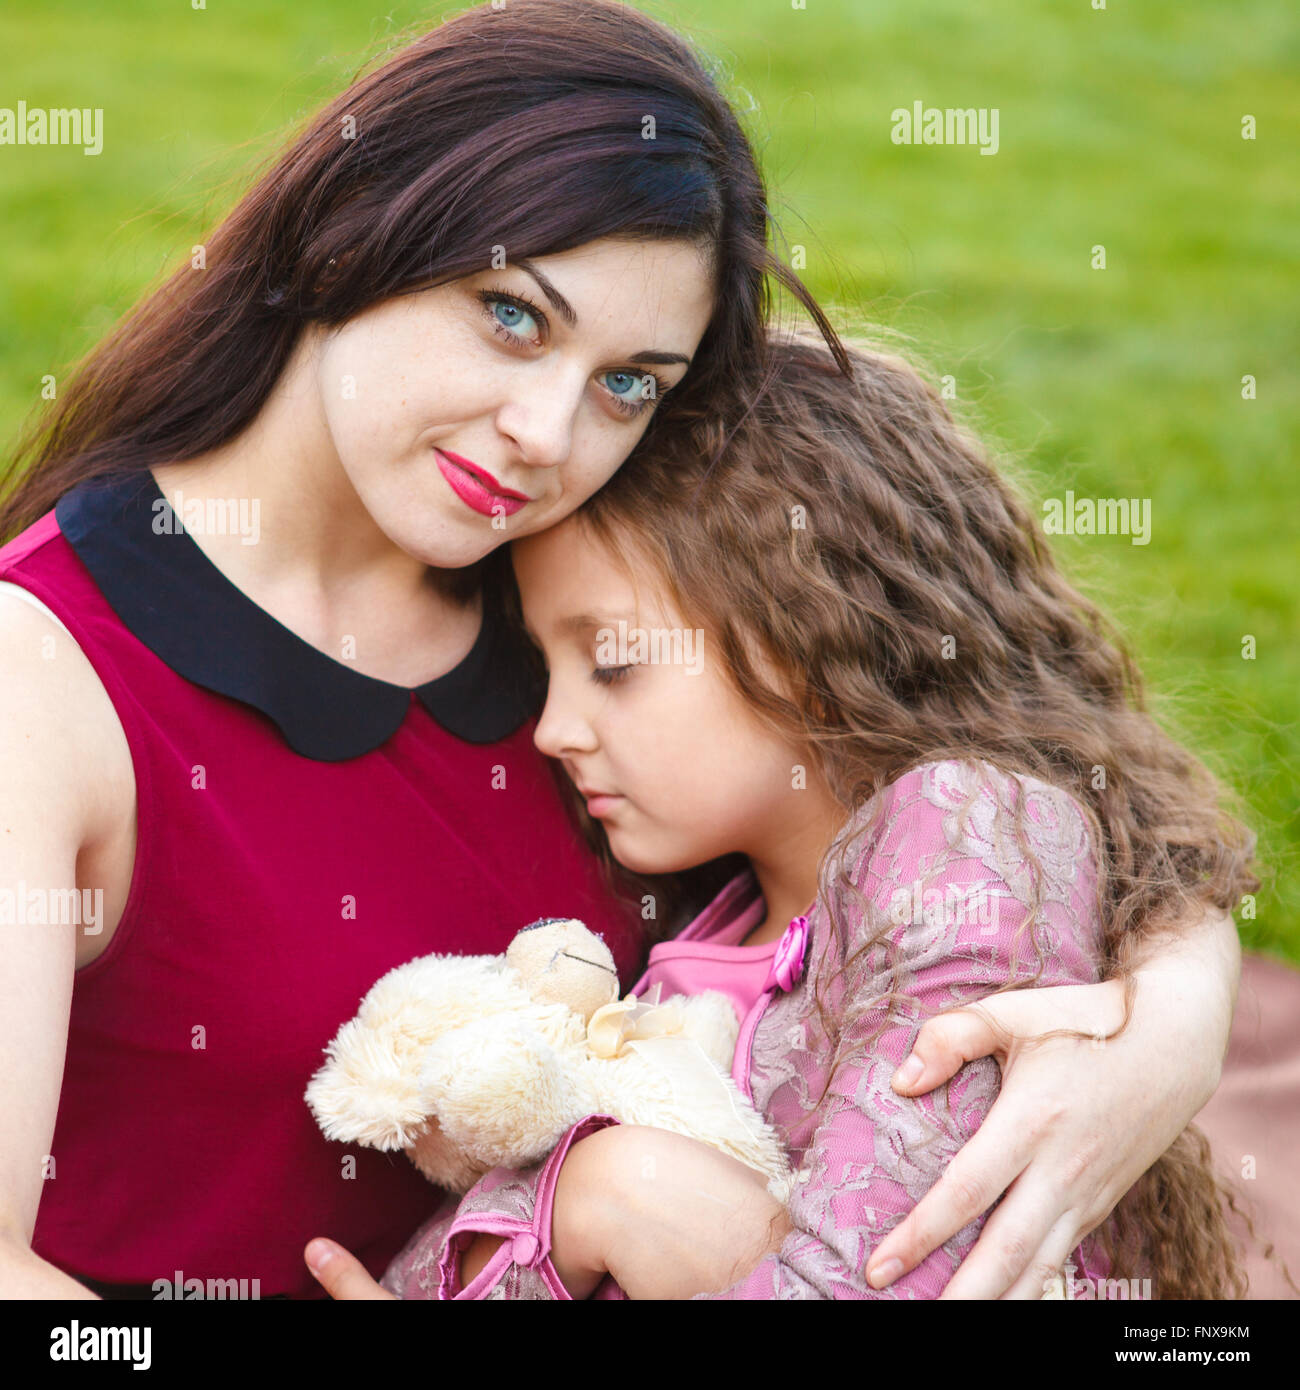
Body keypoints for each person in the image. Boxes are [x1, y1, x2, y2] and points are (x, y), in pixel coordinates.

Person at [0, 1, 1238, 1302]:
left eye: (630, 380)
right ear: (347, 225)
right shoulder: (44, 678)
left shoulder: (586, 578)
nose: (548, 430)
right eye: (513, 315)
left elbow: (1011, 753)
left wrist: (1169, 1027)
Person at [319, 332, 1255, 1300]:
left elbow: (897, 1275)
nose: (554, 730)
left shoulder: (964, 829)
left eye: (612, 663)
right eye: (542, 671)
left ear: (807, 631)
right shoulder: (704, 925)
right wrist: (582, 1208)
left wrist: (622, 1193)